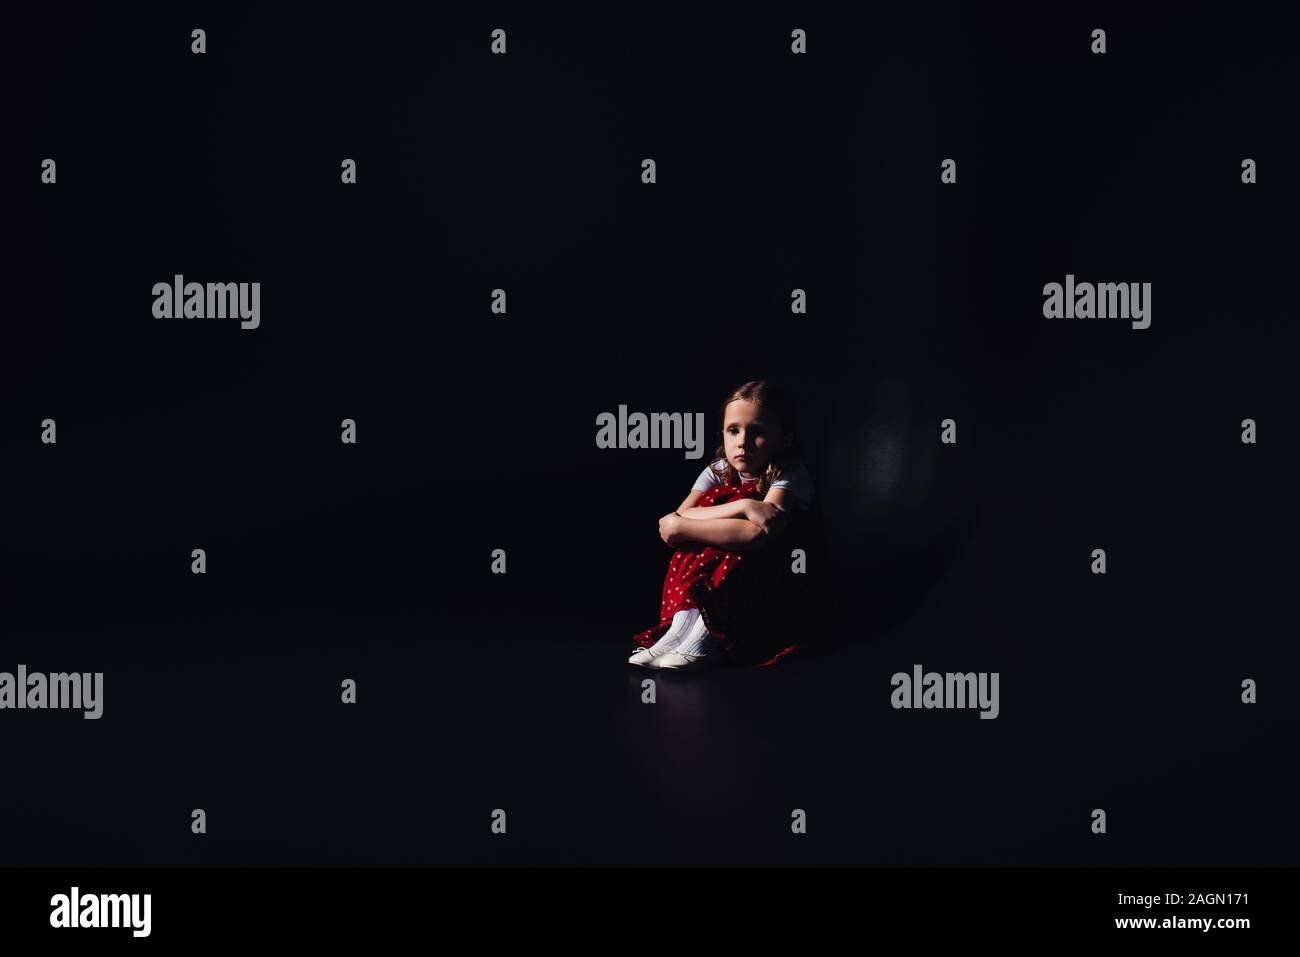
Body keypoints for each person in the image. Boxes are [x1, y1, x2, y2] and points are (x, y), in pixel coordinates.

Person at [629, 379, 816, 670]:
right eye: (733, 430)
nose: (742, 441)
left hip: (773, 572)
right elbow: (675, 520)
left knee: (720, 542)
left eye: (758, 432)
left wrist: (683, 526)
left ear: (785, 439)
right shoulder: (718, 469)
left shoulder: (789, 471)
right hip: (729, 558)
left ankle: (706, 639)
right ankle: (678, 634)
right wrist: (744, 506)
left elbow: (756, 535)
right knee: (701, 542)